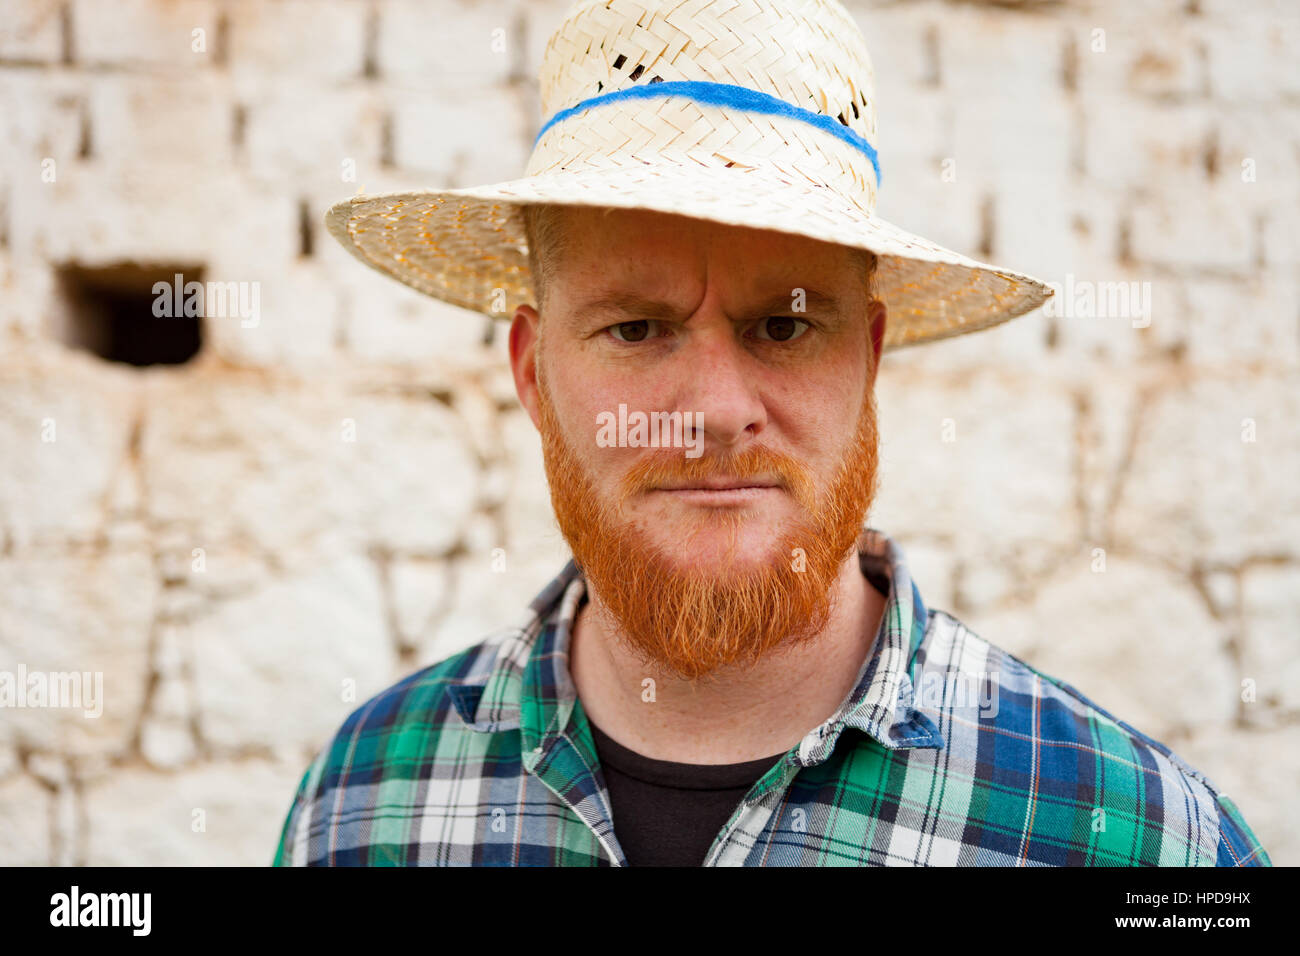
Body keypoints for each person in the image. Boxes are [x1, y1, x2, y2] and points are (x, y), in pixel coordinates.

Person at [274, 0, 1270, 866]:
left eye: (783, 325)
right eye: (636, 326)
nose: (715, 408)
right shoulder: (360, 809)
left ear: (868, 360)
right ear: (532, 373)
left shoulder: (1140, 838)